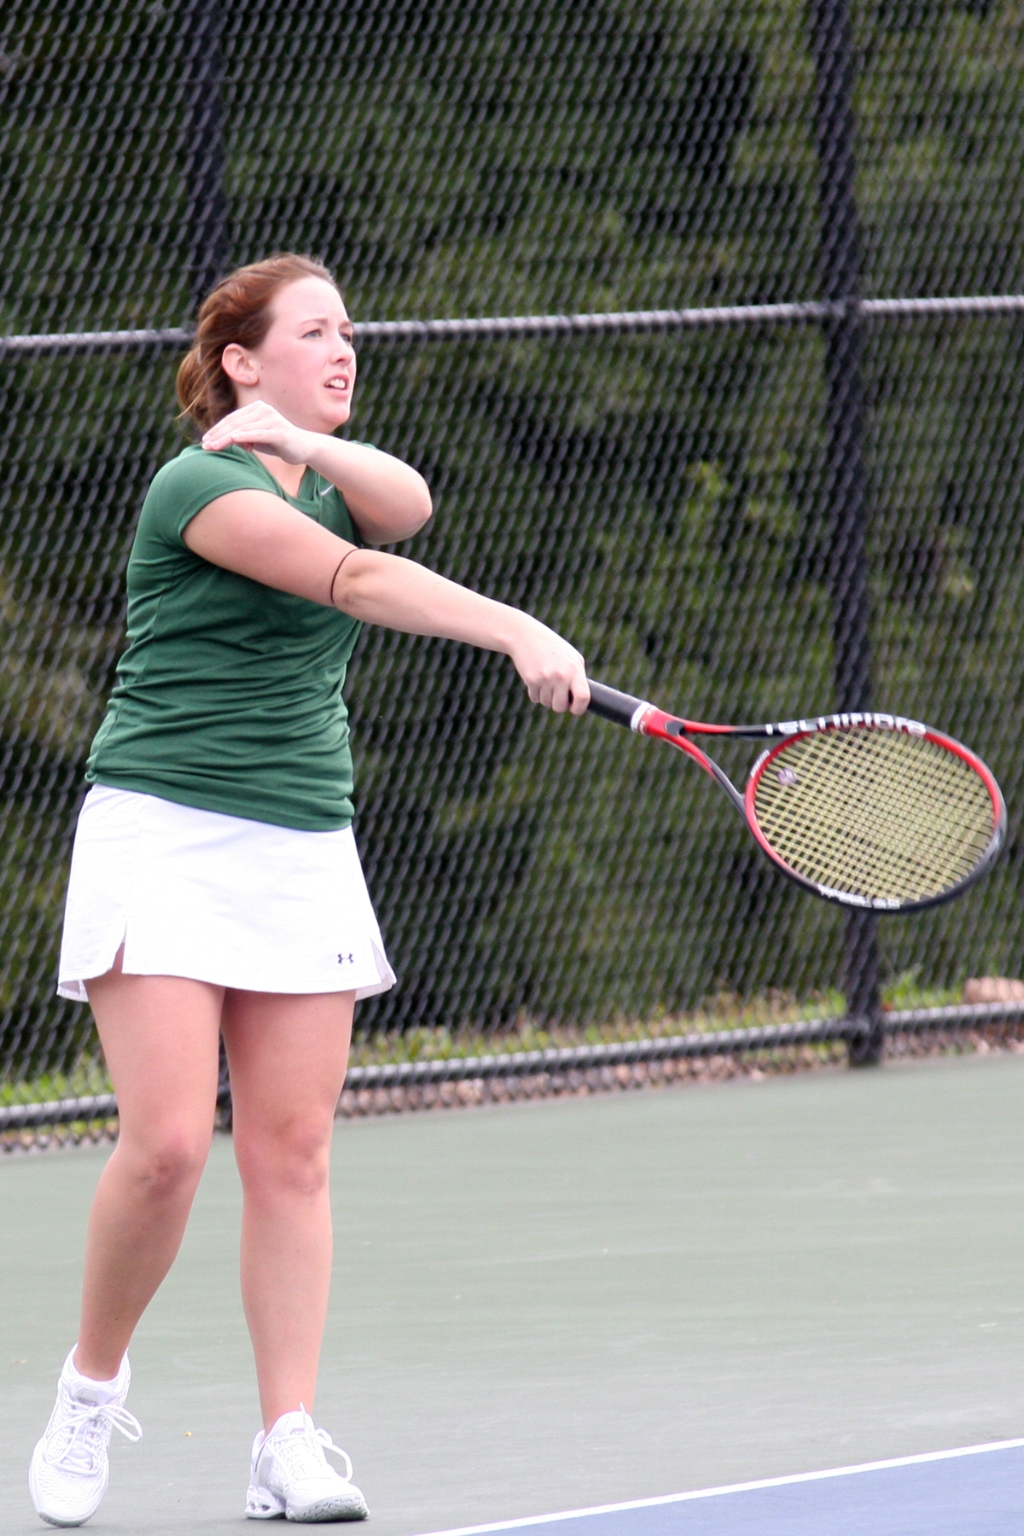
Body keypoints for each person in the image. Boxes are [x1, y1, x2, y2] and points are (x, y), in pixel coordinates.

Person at [29, 252, 589, 1528]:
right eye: (314, 332)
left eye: (350, 330)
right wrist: (517, 629)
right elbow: (354, 580)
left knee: (292, 1155)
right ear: (240, 359)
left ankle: (287, 1441)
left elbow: (407, 505)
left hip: (299, 843)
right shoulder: (197, 486)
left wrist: (305, 438)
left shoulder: (328, 480)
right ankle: (89, 1388)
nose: (344, 350)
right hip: (164, 828)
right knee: (169, 1148)